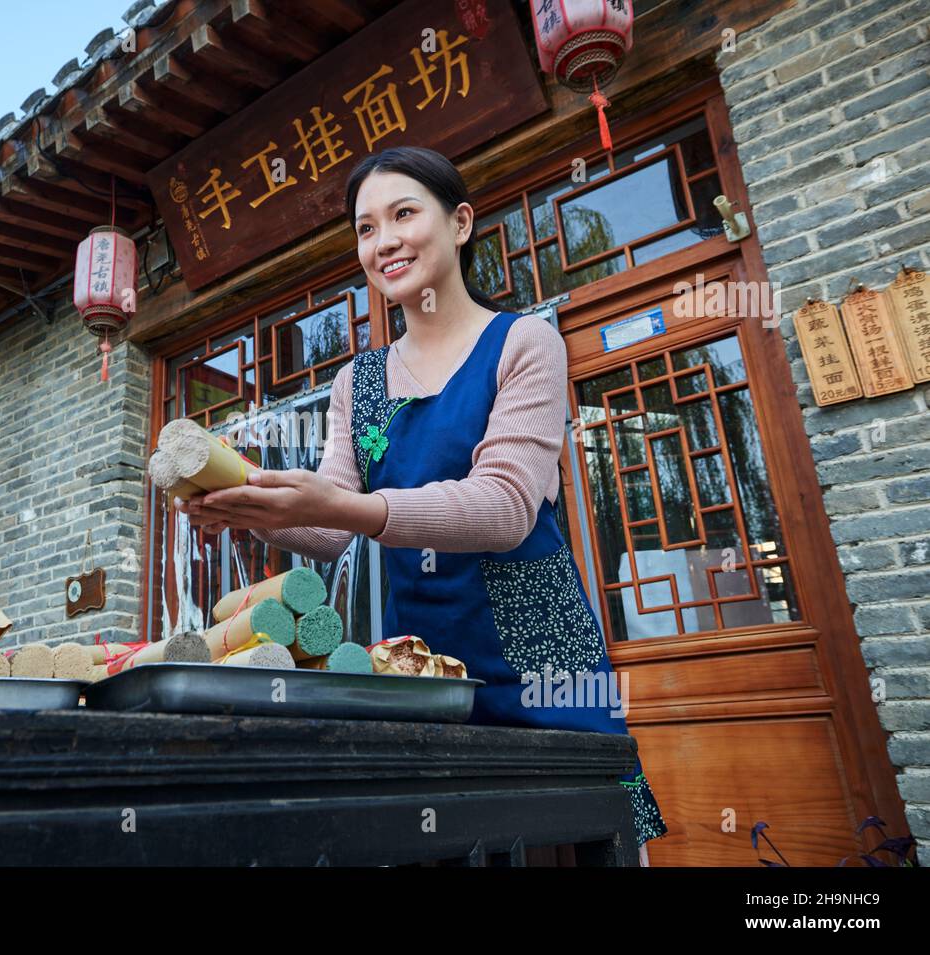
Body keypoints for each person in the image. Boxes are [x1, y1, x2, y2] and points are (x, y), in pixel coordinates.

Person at [175, 146, 667, 862]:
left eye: (404, 213)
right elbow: (329, 526)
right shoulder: (359, 381)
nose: (384, 241)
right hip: (422, 663)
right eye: (366, 228)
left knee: (579, 836)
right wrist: (254, 508)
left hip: (540, 652)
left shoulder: (522, 342)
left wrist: (356, 510)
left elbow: (504, 508)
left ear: (460, 221)